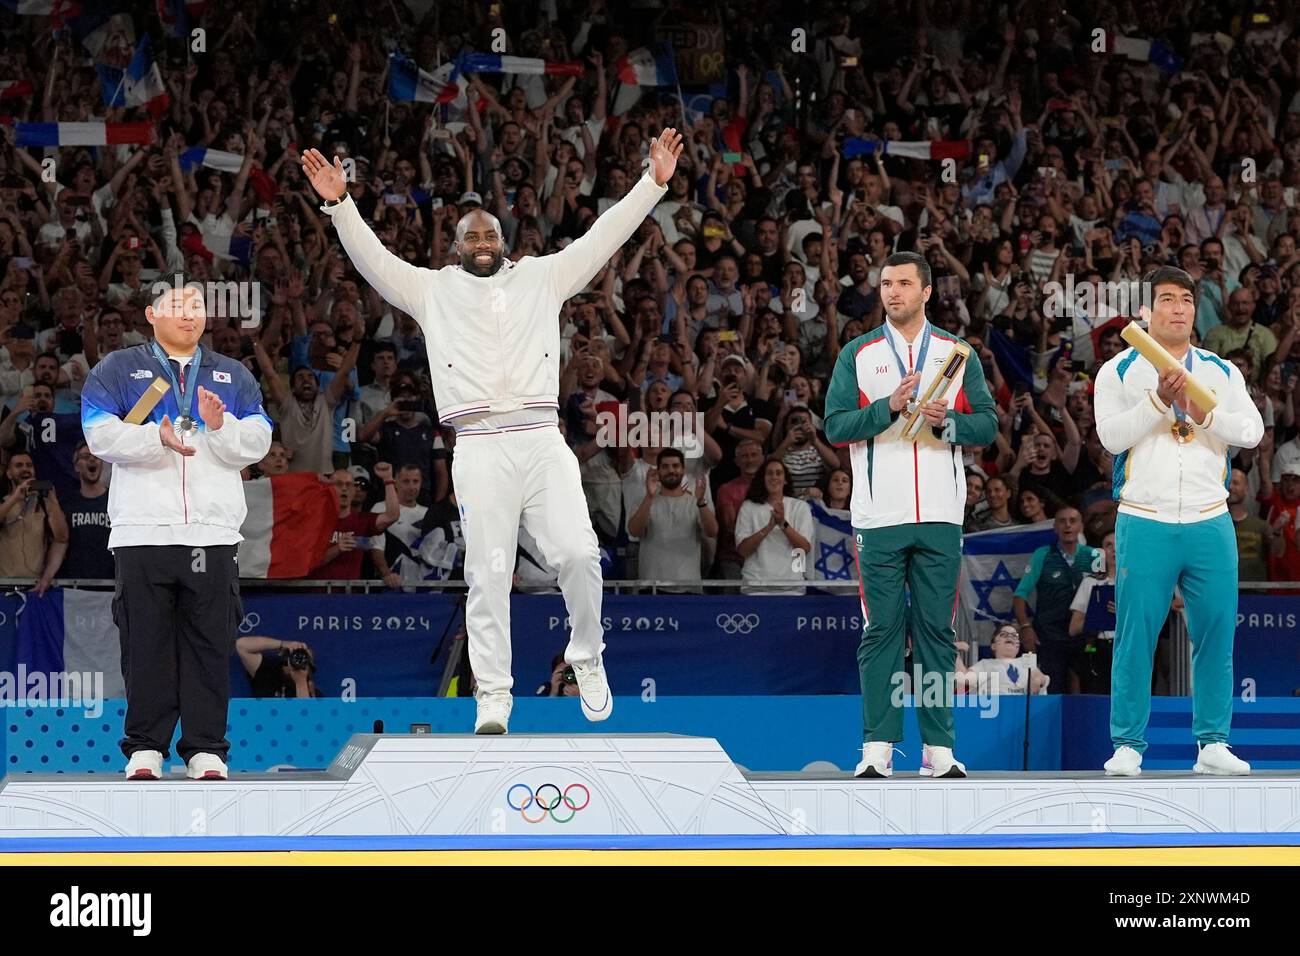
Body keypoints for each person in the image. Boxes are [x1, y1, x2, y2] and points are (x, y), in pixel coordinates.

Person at [302, 129, 684, 734]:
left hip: (540, 437)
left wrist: (652, 183)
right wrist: (340, 205)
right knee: (486, 571)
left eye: (490, 234)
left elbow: (603, 238)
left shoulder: (542, 277)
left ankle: (586, 656)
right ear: (455, 248)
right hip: (478, 445)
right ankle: (494, 695)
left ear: (503, 242)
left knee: (582, 555)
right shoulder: (431, 290)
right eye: (470, 236)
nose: (482, 243)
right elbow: (373, 261)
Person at [81, 283, 273, 781]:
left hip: (211, 531)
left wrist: (221, 424)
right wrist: (154, 437)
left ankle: (206, 748)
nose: (189, 316)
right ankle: (145, 748)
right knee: (145, 643)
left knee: (209, 642)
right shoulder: (117, 369)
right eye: (176, 307)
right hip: (143, 528)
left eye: (197, 308)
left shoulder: (232, 374)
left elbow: (258, 440)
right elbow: (98, 433)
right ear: (150, 314)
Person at [824, 251, 997, 778]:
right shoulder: (858, 353)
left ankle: (939, 750)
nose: (892, 292)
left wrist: (950, 425)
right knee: (880, 631)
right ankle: (877, 749)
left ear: (926, 291)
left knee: (937, 634)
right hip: (878, 516)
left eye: (903, 283)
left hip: (942, 515)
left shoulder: (957, 352)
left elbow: (987, 425)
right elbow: (834, 426)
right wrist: (888, 408)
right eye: (885, 284)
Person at [1095, 266, 1263, 776]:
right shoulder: (1119, 370)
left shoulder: (1220, 370)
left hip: (1211, 519)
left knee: (1215, 633)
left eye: (1186, 299)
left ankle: (1212, 742)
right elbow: (1111, 438)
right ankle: (1128, 744)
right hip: (1146, 518)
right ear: (1146, 312)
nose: (1178, 308)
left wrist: (1204, 413)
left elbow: (1252, 431)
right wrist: (1159, 400)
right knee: (1135, 634)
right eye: (1166, 299)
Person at [1012, 506, 1101, 694]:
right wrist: (1026, 627)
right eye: (1062, 521)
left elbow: (1109, 583)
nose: (1067, 525)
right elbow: (1020, 595)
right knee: (1052, 686)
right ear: (1055, 527)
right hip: (1049, 635)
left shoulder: (1094, 556)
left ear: (1081, 527)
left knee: (1089, 686)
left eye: (1073, 521)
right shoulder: (1043, 554)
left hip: (1085, 636)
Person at [626, 447, 717, 592]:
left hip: (689, 588)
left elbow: (712, 531)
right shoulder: (643, 502)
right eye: (665, 466)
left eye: (675, 466)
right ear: (658, 470)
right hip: (651, 587)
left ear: (683, 470)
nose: (671, 470)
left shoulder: (696, 502)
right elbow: (634, 531)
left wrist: (701, 501)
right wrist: (649, 496)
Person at [734, 457, 815, 594]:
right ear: (762, 479)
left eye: (779, 473)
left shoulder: (800, 507)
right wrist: (769, 527)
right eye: (769, 473)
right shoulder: (748, 507)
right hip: (755, 586)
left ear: (785, 480)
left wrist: (782, 524)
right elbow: (742, 550)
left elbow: (804, 548)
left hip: (792, 587)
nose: (774, 477)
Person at [956, 625, 1050, 695]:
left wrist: (1038, 680)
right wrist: (954, 652)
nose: (1010, 637)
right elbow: (964, 680)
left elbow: (1040, 678)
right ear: (994, 646)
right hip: (994, 713)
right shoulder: (985, 664)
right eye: (1004, 634)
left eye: (1014, 635)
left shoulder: (1026, 660)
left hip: (1023, 713)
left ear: (1018, 645)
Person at [235, 637, 320, 698]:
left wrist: (301, 682)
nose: (299, 663)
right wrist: (283, 644)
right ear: (287, 659)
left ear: (310, 670)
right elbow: (241, 645)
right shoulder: (268, 672)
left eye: (304, 661)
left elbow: (306, 718)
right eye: (296, 657)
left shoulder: (313, 695)